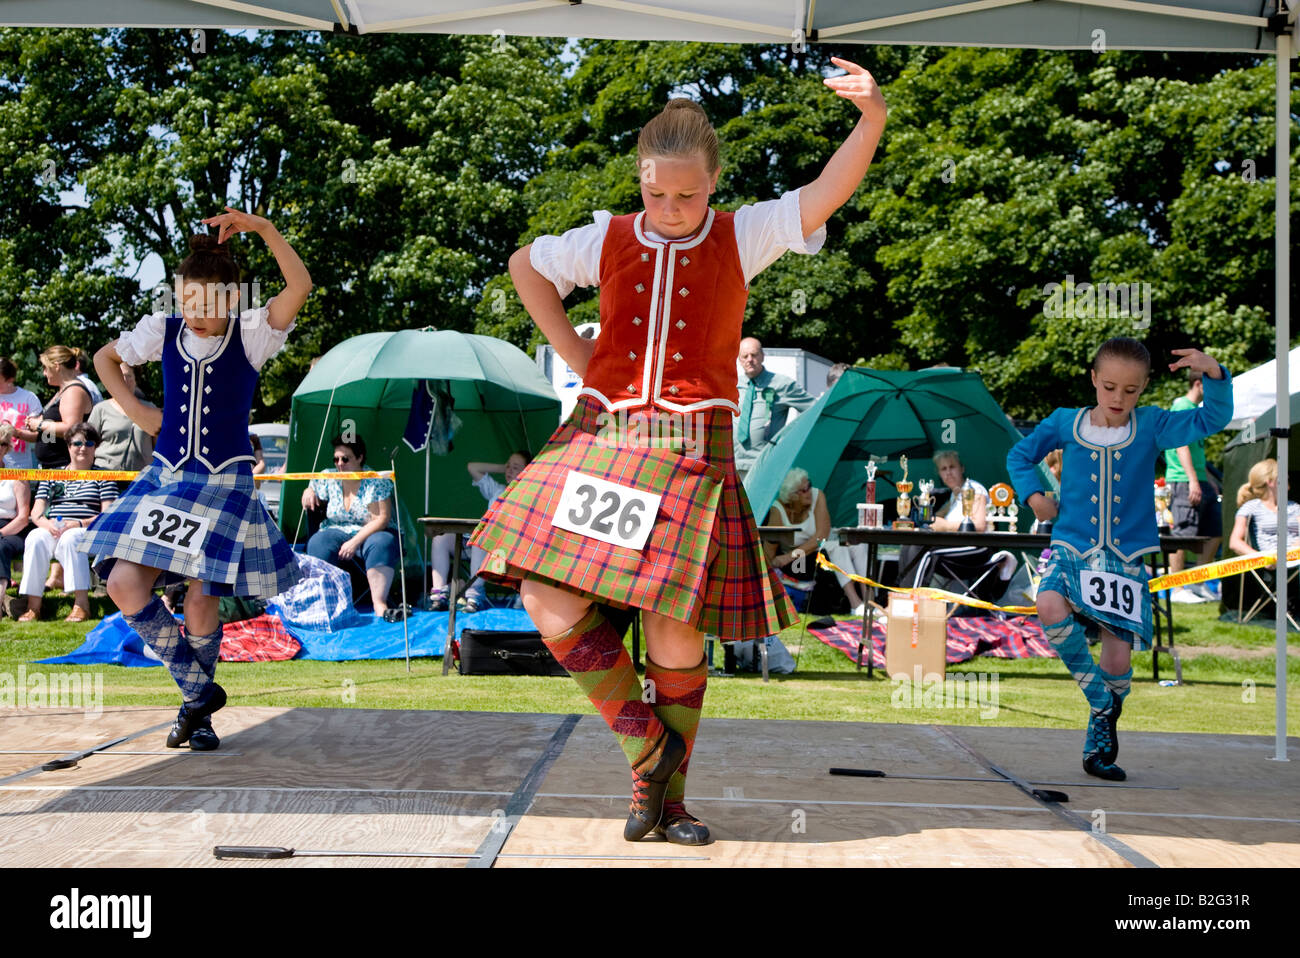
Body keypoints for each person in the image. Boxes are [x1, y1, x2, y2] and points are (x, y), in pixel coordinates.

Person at [470, 59, 887, 845]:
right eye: (655, 193)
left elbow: (827, 192)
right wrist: (574, 352)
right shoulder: (607, 236)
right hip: (603, 435)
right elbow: (527, 266)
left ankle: (664, 801)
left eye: (687, 195)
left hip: (695, 444)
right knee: (543, 596)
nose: (669, 208)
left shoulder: (746, 232)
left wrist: (870, 120)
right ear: (639, 178)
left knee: (675, 629)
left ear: (715, 180)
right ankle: (646, 744)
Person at [79, 210, 311, 753]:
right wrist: (139, 412)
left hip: (226, 485)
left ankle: (197, 716)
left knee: (203, 603)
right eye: (187, 303)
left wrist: (263, 229)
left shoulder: (253, 334)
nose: (197, 315)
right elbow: (104, 358)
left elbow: (300, 285)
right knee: (122, 584)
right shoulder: (160, 330)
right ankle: (198, 689)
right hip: (165, 479)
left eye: (208, 306)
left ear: (233, 300)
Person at [1008, 338, 1231, 781]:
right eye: (1109, 387)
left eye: (1130, 391)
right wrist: (1033, 496)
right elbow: (1019, 454)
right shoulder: (1062, 423)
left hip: (1126, 556)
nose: (1118, 398)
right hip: (1071, 545)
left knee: (1117, 658)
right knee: (1048, 605)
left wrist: (1214, 373)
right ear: (1093, 380)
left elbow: (1213, 417)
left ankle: (1099, 743)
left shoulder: (1153, 425)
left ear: (1144, 388)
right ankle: (1099, 700)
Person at [18, 423, 117, 623]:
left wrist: (79, 524)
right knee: (35, 537)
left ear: (95, 447)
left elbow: (107, 515)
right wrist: (48, 525)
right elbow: (37, 513)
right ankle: (33, 606)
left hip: (86, 530)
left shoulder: (103, 475)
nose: (83, 447)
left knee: (72, 539)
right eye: (77, 443)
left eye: (89, 443)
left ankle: (81, 605)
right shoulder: (52, 474)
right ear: (68, 446)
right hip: (53, 528)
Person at [301, 435, 399, 617]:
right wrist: (308, 491)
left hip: (372, 532)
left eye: (345, 459)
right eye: (336, 459)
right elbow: (312, 485)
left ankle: (379, 603)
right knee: (318, 541)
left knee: (382, 542)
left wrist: (354, 542)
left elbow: (382, 519)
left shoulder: (375, 480)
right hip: (337, 530)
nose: (339, 464)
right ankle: (325, 603)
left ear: (360, 457)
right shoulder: (328, 476)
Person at [430, 451, 533, 613]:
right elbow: (473, 467)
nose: (510, 471)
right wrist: (504, 468)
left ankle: (474, 596)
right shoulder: (497, 491)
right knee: (440, 538)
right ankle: (439, 594)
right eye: (508, 466)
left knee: (481, 538)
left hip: (503, 557)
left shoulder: (530, 498)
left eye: (516, 467)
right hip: (479, 548)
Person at [897, 450, 1001, 592]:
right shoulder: (954, 495)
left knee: (923, 550)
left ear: (962, 469)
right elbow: (935, 518)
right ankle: (902, 595)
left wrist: (945, 526)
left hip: (975, 549)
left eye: (952, 467)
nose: (948, 473)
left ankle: (912, 600)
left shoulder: (974, 489)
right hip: (955, 546)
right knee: (909, 545)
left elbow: (979, 525)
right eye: (943, 469)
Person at [1165, 369, 1224, 603]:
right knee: (1182, 535)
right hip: (1182, 479)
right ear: (1199, 384)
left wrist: (1208, 480)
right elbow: (1181, 445)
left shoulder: (1197, 412)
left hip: (1199, 479)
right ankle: (1177, 589)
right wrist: (1191, 479)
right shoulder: (1181, 405)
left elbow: (1197, 451)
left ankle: (1198, 583)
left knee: (1214, 533)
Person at [1227, 458, 1300, 620]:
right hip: (1269, 560)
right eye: (1284, 478)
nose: (1288, 480)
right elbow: (1235, 542)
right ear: (1271, 482)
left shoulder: (1294, 507)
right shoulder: (1251, 508)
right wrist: (1260, 557)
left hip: (1296, 557)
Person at [733, 337, 816, 476]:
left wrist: (792, 437)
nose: (749, 359)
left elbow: (814, 409)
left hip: (764, 465)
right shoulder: (733, 385)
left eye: (754, 355)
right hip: (734, 464)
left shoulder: (782, 384)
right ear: (739, 359)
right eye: (744, 356)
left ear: (763, 356)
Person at [763, 468, 831, 612]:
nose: (809, 491)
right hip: (798, 563)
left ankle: (862, 601)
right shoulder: (778, 509)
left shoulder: (818, 496)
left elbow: (822, 536)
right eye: (804, 490)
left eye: (809, 485)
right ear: (792, 496)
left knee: (853, 549)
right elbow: (769, 551)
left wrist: (789, 556)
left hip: (815, 551)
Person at [24, 346, 95, 470]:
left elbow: (72, 429)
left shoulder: (74, 391)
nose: (44, 373)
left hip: (64, 468)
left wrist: (40, 424)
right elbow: (52, 428)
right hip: (51, 468)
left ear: (56, 366)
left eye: (45, 367)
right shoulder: (63, 391)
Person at [88, 363, 157, 475]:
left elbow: (159, 446)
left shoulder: (150, 409)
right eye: (120, 376)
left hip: (140, 478)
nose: (124, 380)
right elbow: (88, 444)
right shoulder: (101, 409)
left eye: (128, 376)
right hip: (105, 477)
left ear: (136, 380)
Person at [0, 424, 32, 617]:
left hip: (12, 529)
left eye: (3, 443)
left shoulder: (17, 476)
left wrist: (1, 533)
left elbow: (22, 518)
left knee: (0, 547)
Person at [0, 357, 43, 469]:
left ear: (10, 379)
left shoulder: (29, 398)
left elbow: (42, 436)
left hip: (19, 467)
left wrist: (17, 432)